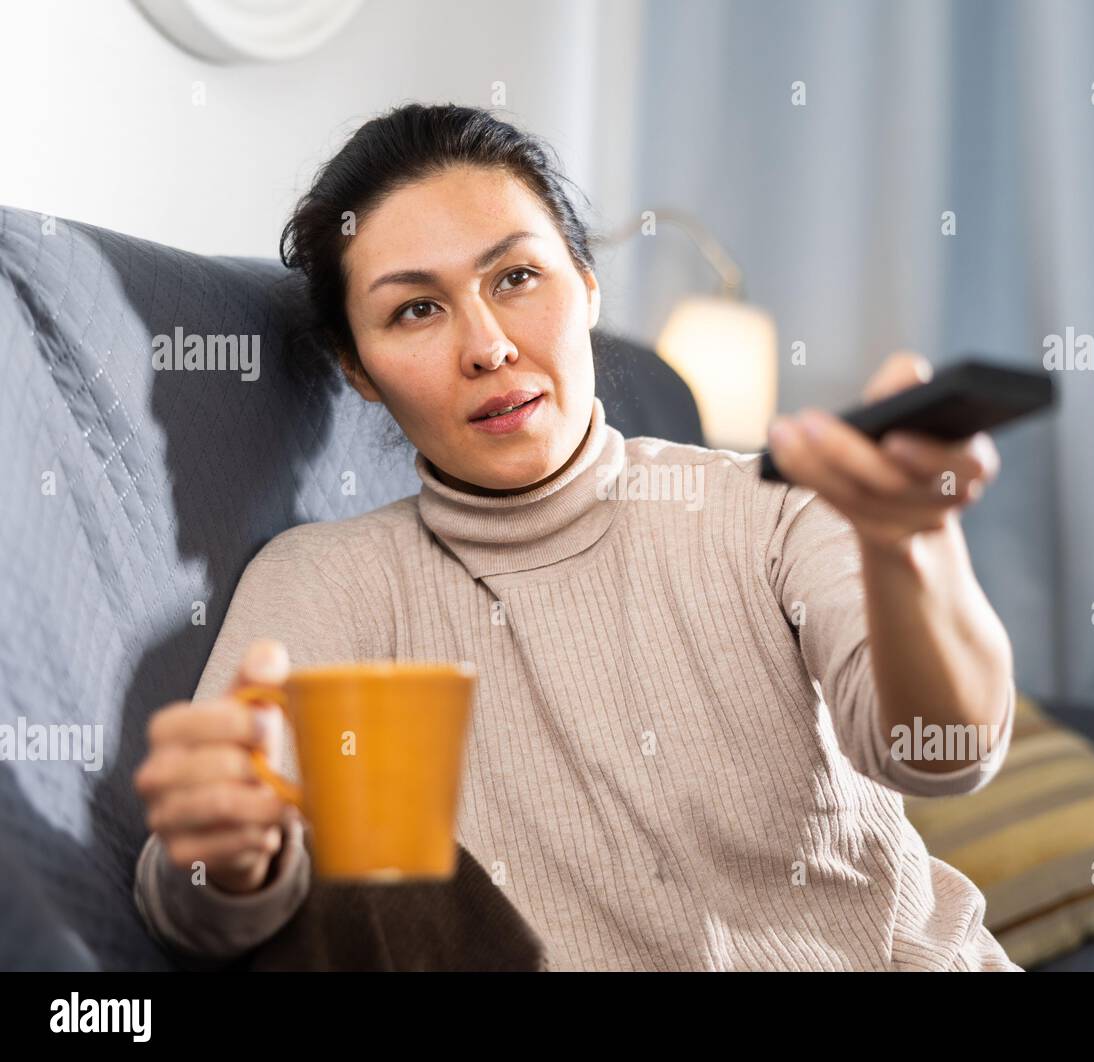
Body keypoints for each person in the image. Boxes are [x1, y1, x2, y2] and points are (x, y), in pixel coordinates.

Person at [132, 102, 1020, 971]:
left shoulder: (773, 504)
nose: (487, 346)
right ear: (358, 370)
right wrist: (234, 860)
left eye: (515, 278)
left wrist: (911, 550)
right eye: (415, 311)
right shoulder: (328, 583)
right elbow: (190, 899)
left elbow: (939, 754)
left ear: (587, 286)